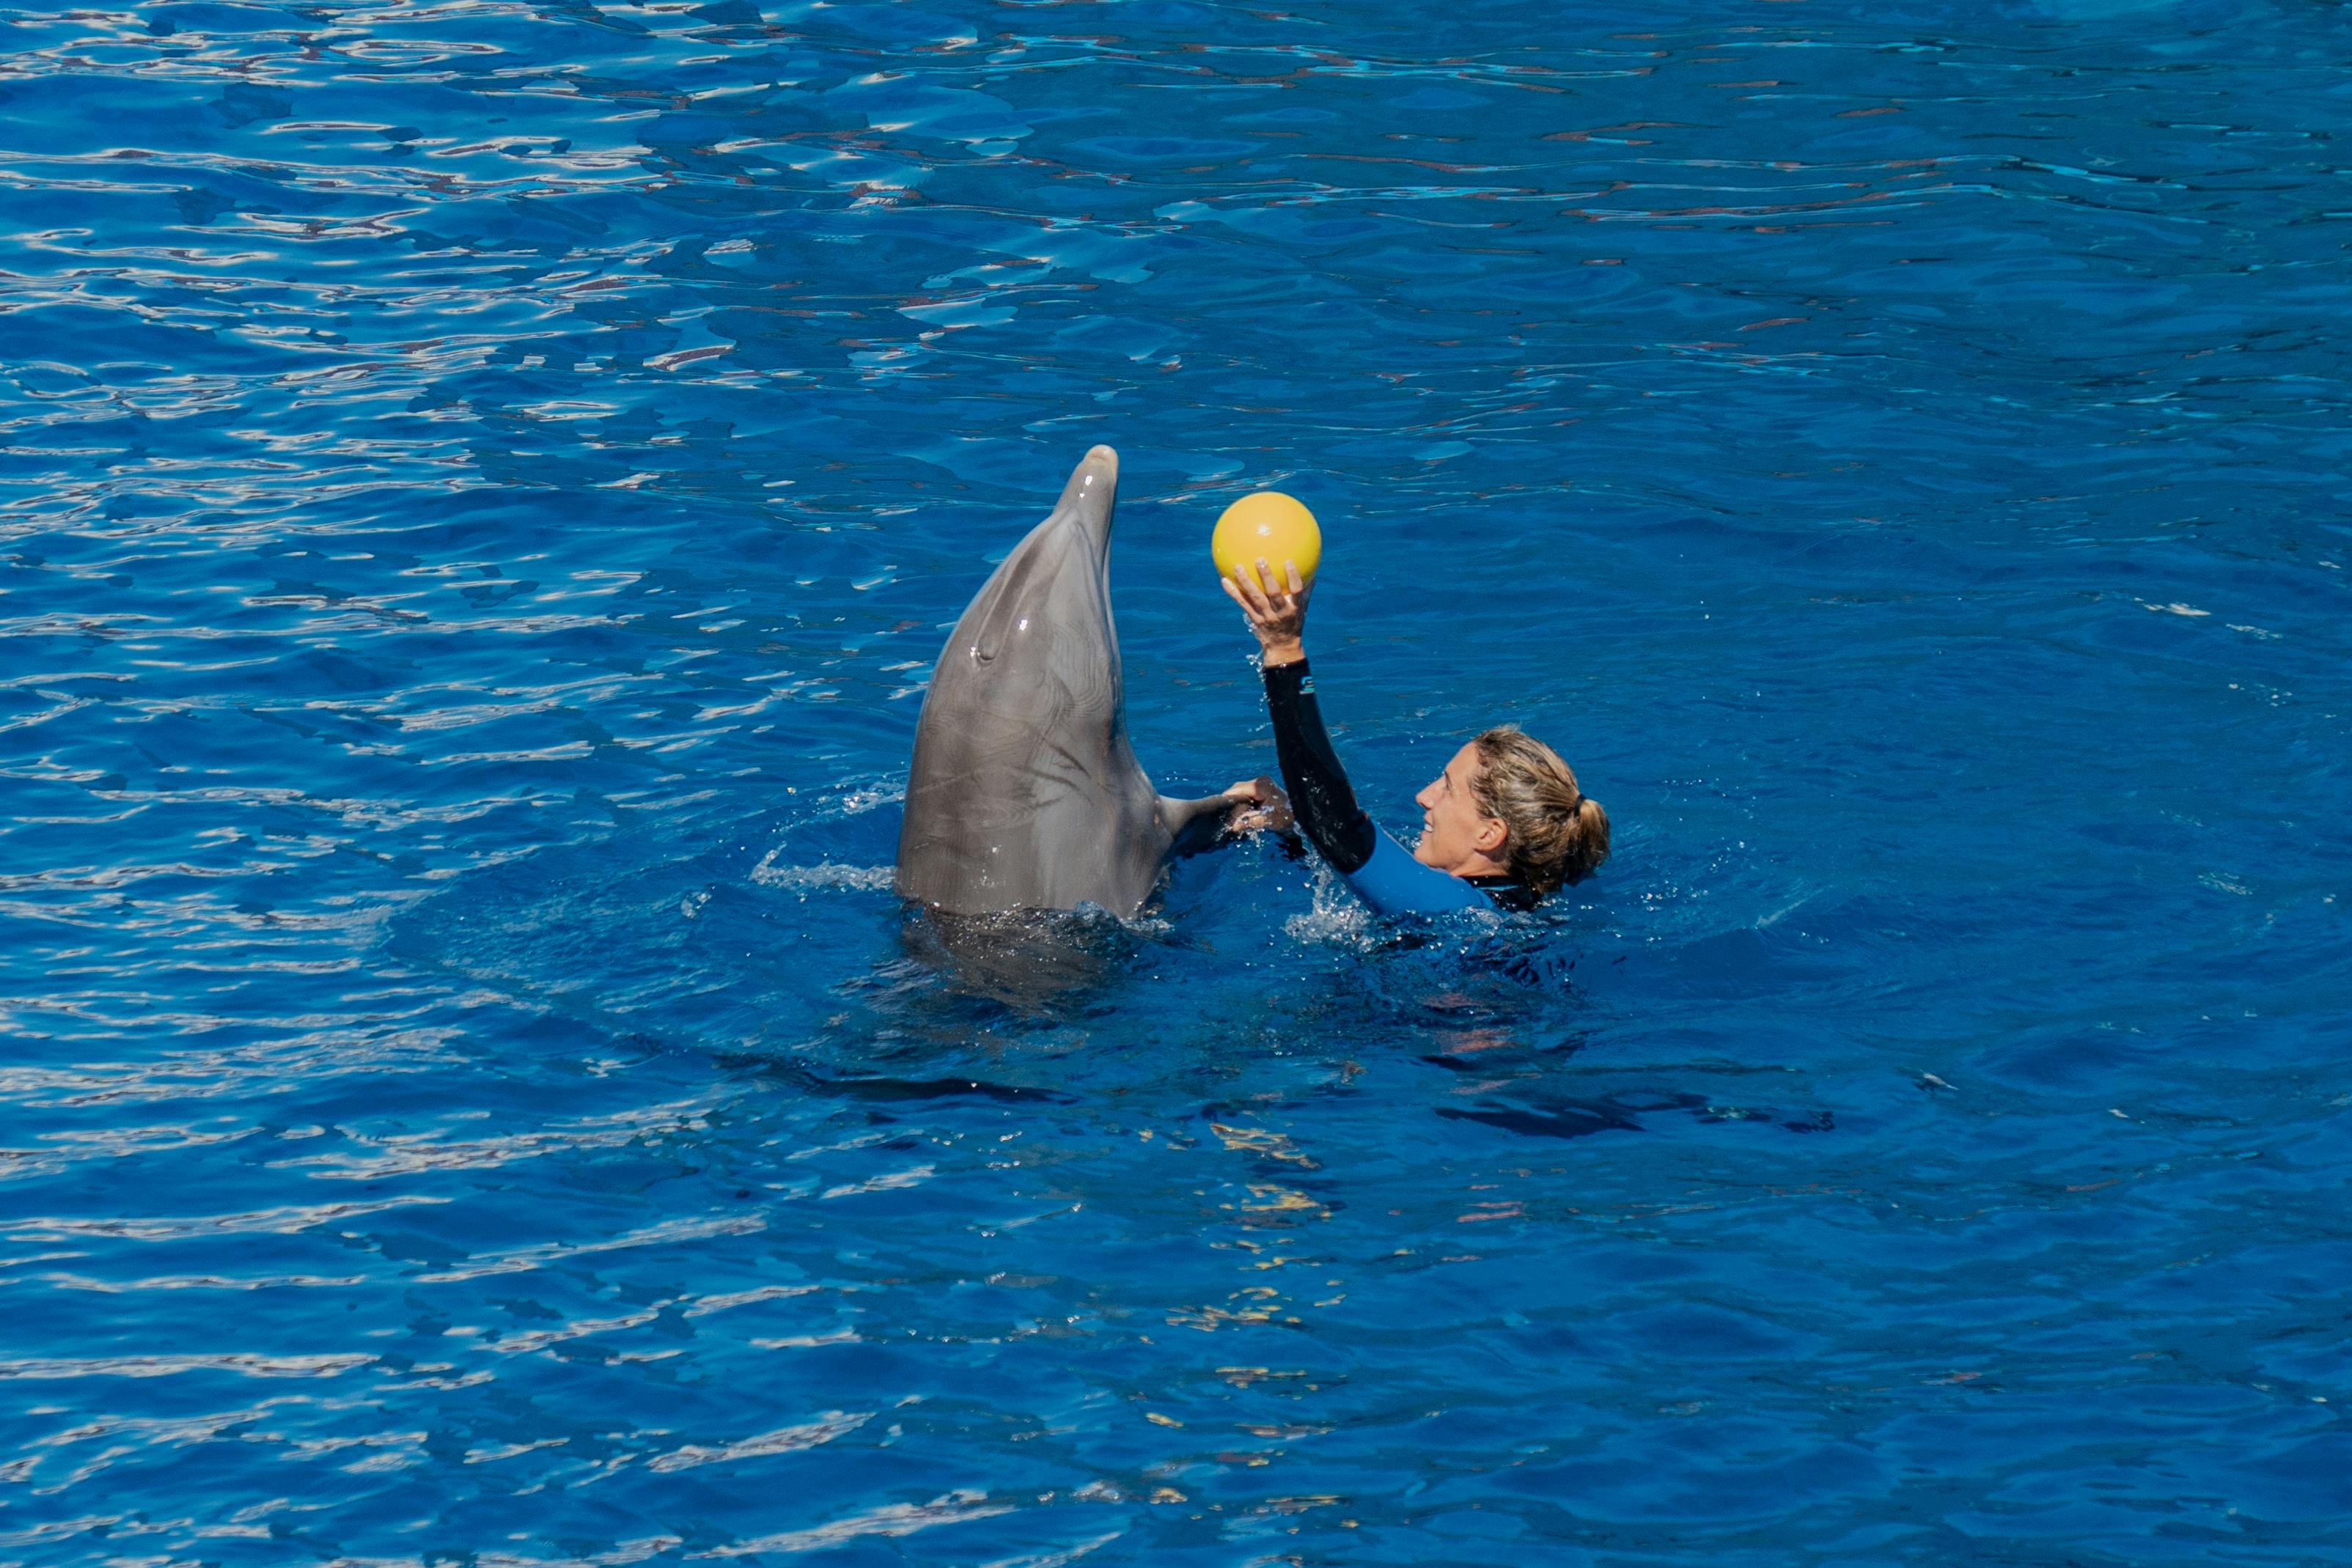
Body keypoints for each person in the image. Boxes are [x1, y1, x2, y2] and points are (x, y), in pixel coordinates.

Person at [1220, 556, 1609, 916]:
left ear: (1489, 833)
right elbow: (1357, 863)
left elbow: (1339, 829)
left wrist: (1283, 649)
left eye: (1448, 788)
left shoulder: (1459, 906)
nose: (1424, 796)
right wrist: (1294, 829)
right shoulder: (1503, 906)